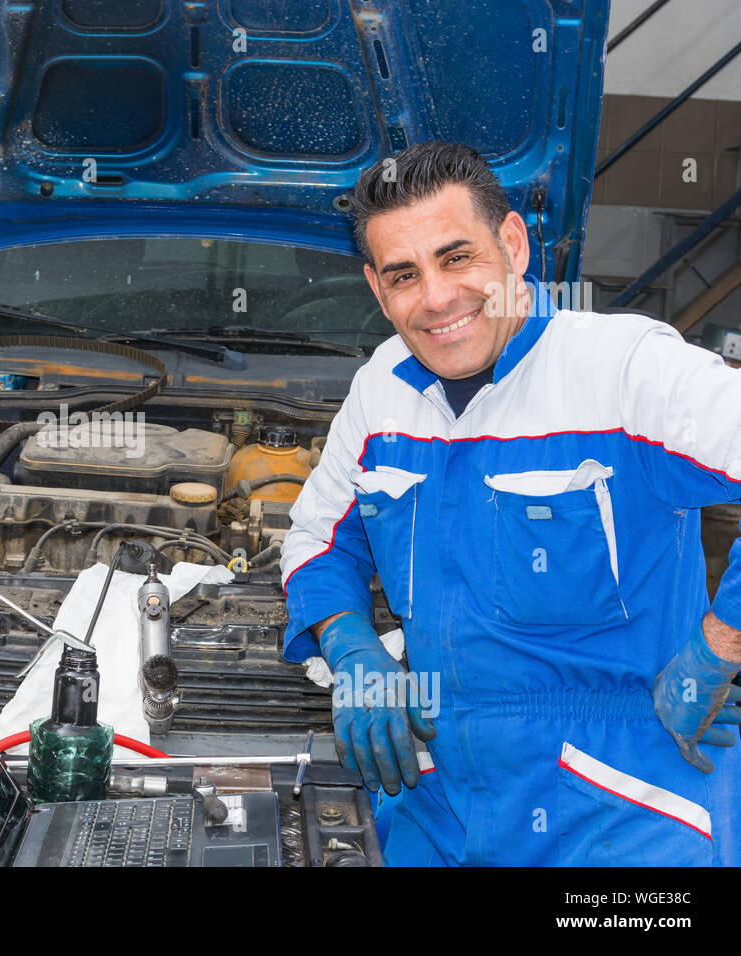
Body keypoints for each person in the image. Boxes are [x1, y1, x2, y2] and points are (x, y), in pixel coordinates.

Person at [280, 140, 741, 866]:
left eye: (456, 257)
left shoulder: (626, 370)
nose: (435, 298)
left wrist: (719, 647)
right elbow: (316, 538)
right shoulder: (383, 389)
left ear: (513, 244)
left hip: (622, 804)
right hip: (437, 799)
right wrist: (352, 645)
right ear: (376, 287)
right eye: (404, 275)